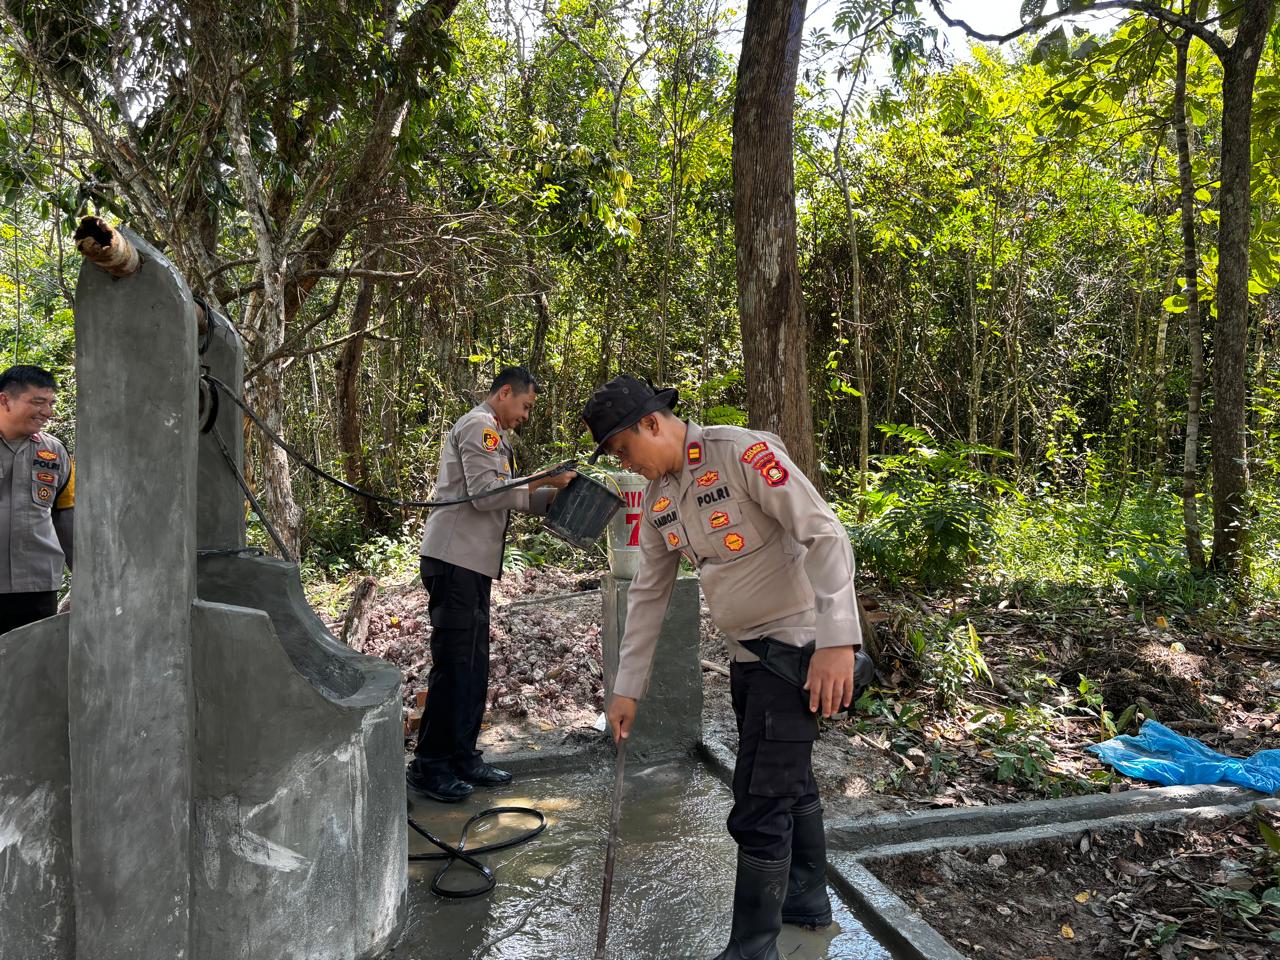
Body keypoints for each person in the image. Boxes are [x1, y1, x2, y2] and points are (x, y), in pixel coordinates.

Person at [584, 375, 868, 960]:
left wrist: (839, 641)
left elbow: (823, 532)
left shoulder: (740, 453)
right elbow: (649, 595)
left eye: (623, 450)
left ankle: (751, 950)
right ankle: (806, 903)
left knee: (760, 802)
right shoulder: (660, 500)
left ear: (652, 423)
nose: (625, 464)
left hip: (796, 650)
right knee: (788, 781)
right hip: (747, 657)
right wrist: (626, 689)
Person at [407, 367, 574, 803]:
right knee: (454, 664)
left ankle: (463, 756)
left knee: (474, 664)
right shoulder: (478, 426)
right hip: (453, 560)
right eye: (525, 406)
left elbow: (506, 494)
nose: (526, 416)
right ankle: (430, 766)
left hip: (473, 566)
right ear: (504, 393)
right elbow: (485, 494)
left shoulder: (495, 434)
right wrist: (544, 478)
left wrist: (554, 496)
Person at [0, 365, 74, 635]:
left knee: (34, 659)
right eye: (38, 402)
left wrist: (84, 575)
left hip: (37, 586)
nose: (48, 412)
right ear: (5, 400)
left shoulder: (54, 451)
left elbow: (66, 516)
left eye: (50, 403)